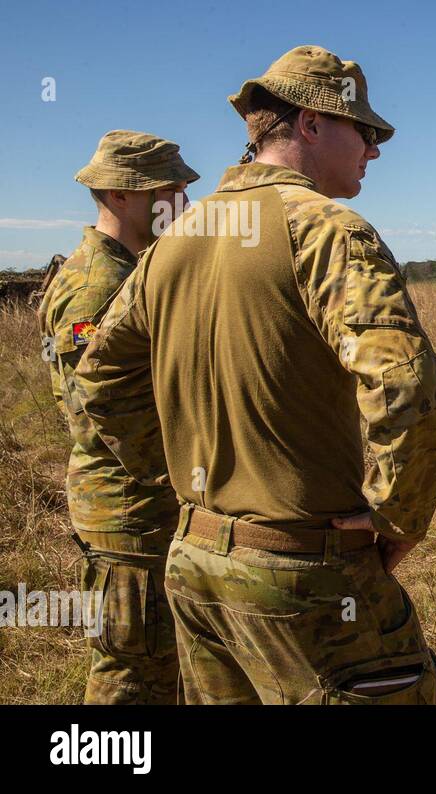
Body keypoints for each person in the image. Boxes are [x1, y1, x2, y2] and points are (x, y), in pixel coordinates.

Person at [76, 45, 436, 704]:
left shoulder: (176, 239)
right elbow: (405, 387)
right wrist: (400, 515)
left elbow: (100, 377)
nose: (375, 148)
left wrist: (168, 474)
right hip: (303, 573)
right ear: (309, 124)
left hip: (195, 569)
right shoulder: (327, 230)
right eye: (362, 129)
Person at [39, 130, 197, 703]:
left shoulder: (112, 270)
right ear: (124, 196)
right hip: (130, 508)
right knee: (134, 670)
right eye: (170, 191)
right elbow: (99, 406)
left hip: (131, 502)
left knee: (160, 663)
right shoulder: (103, 286)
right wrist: (184, 476)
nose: (182, 205)